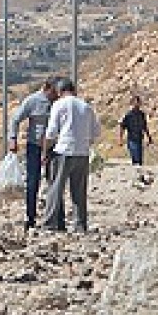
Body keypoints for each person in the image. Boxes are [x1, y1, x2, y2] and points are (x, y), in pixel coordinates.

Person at [41, 79, 101, 233]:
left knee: (55, 189)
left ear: (60, 91)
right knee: (79, 192)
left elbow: (51, 132)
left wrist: (45, 151)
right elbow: (95, 132)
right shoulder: (86, 107)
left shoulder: (59, 105)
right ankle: (80, 225)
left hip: (63, 151)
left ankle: (50, 224)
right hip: (82, 153)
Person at [8, 77, 59, 230]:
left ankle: (54, 218)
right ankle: (30, 217)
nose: (56, 95)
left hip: (53, 147)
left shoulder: (58, 102)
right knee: (32, 182)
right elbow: (16, 119)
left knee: (55, 182)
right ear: (47, 88)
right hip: (35, 146)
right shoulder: (33, 101)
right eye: (53, 92)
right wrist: (13, 139)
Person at [118, 95, 154, 165]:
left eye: (138, 102)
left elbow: (145, 126)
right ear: (133, 103)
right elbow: (122, 126)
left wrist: (149, 137)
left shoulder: (142, 114)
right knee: (136, 159)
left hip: (140, 139)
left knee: (139, 160)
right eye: (136, 102)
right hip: (132, 140)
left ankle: (138, 174)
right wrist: (120, 139)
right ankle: (137, 174)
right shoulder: (129, 115)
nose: (137, 104)